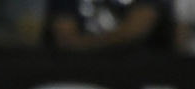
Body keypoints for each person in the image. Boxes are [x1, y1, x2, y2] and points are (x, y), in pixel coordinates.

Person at [43, 0, 173, 50]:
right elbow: (64, 34)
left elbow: (138, 28)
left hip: (138, 66)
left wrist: (85, 44)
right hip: (77, 68)